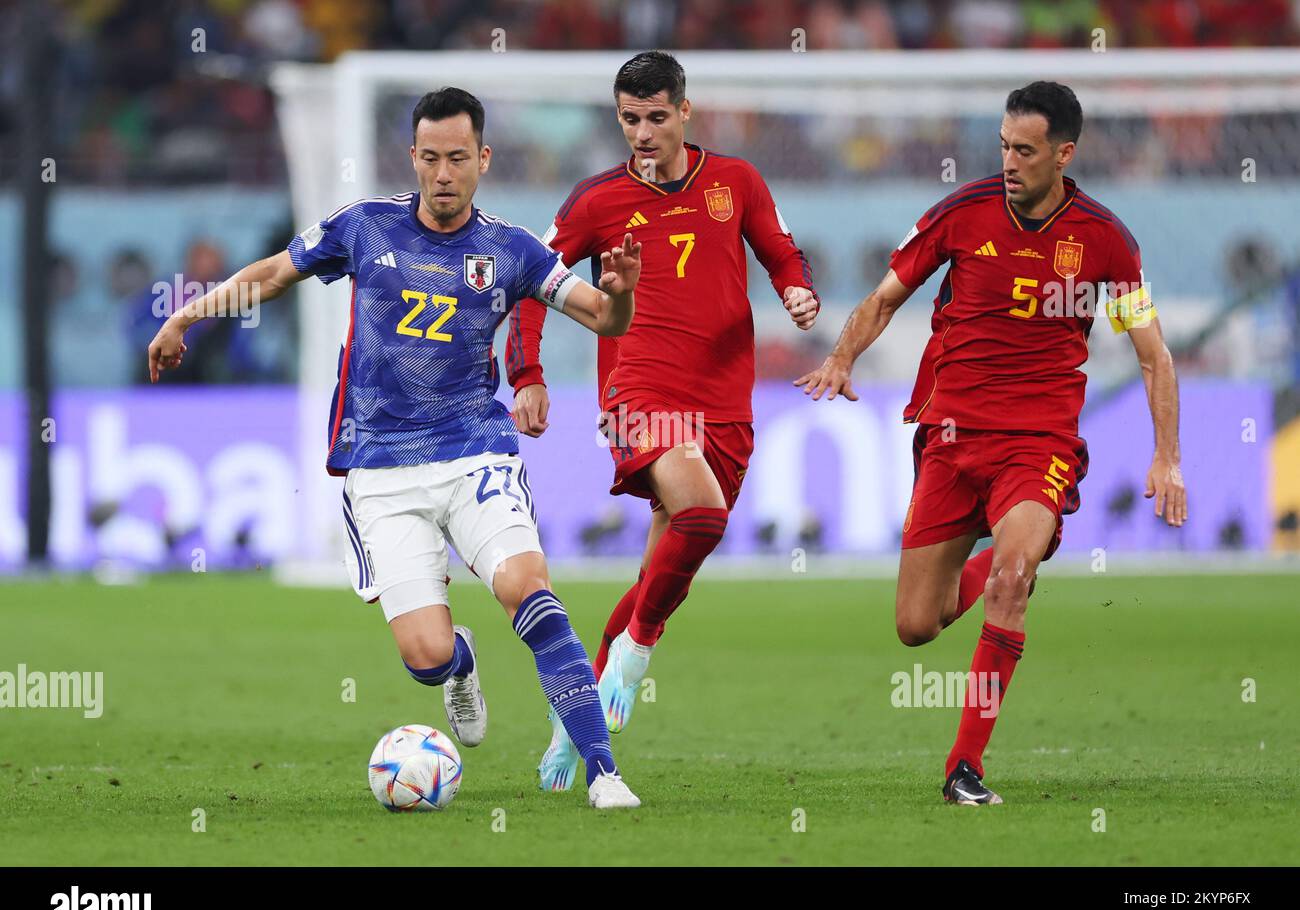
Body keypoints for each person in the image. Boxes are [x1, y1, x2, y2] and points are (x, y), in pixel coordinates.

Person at [147, 87, 644, 809]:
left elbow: (603, 317)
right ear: (413, 157)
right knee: (426, 657)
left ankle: (604, 773)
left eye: (459, 159)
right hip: (379, 465)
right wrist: (189, 315)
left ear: (484, 159)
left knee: (528, 592)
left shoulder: (511, 249)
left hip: (474, 447)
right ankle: (461, 662)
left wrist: (622, 294)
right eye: (431, 158)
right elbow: (274, 274)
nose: (444, 174)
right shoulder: (364, 227)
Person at [797, 81, 1187, 805]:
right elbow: (885, 296)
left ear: (1064, 154)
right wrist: (843, 357)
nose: (1009, 160)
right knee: (918, 626)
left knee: (1010, 583)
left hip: (1038, 441)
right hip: (951, 437)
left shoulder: (1105, 238)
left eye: (1026, 150)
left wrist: (1167, 456)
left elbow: (1154, 355)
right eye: (1004, 145)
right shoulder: (960, 211)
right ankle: (1014, 558)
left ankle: (963, 768)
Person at [507, 51, 819, 790]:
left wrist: (797, 290)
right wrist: (528, 375)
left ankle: (570, 716)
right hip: (636, 394)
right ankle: (638, 651)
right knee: (703, 517)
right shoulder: (595, 201)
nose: (642, 133)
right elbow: (531, 283)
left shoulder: (736, 182)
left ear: (684, 110)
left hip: (726, 402)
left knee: (661, 564)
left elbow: (779, 253)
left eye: (654, 117)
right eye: (628, 120)